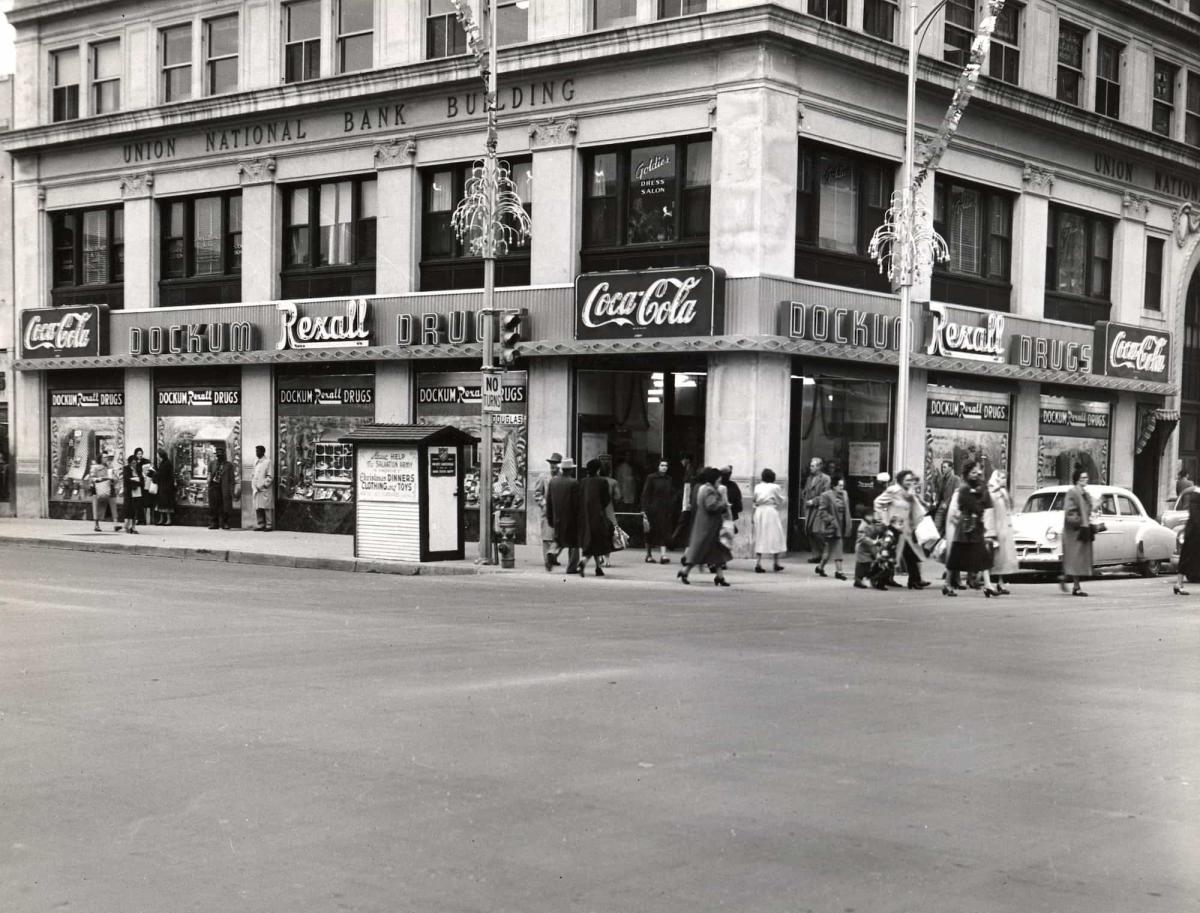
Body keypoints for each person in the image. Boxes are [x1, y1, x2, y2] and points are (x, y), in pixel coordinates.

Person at [943, 461, 998, 598]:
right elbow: (974, 506)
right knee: (955, 558)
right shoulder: (963, 489)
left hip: (976, 527)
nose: (976, 475)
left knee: (983, 556)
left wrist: (981, 492)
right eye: (972, 472)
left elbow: (988, 503)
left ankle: (988, 585)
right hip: (965, 527)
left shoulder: (980, 487)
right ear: (967, 474)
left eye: (977, 472)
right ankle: (947, 584)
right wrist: (979, 494)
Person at [873, 469, 930, 589]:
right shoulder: (893, 491)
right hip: (893, 528)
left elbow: (915, 508)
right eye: (907, 480)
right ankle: (879, 579)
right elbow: (878, 502)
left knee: (910, 555)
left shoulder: (909, 493)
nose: (909, 482)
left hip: (905, 528)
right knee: (891, 555)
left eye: (911, 480)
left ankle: (914, 580)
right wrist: (886, 518)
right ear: (900, 480)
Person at [678, 467, 733, 586]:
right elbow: (711, 506)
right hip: (708, 526)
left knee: (716, 552)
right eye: (718, 480)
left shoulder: (703, 489)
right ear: (714, 479)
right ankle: (684, 571)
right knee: (700, 550)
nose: (719, 483)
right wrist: (724, 504)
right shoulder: (710, 490)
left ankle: (720, 577)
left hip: (706, 524)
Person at [577, 458, 614, 577]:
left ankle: (598, 567)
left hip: (584, 516)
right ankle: (583, 562)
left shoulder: (582, 482)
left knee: (592, 542)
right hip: (598, 516)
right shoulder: (602, 481)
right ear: (598, 470)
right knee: (597, 542)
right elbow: (606, 499)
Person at [1060, 467, 1094, 596]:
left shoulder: (1085, 494)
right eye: (1083, 478)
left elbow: (1087, 510)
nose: (1086, 480)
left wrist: (1095, 504)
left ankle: (1066, 577)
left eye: (1086, 477)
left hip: (1083, 529)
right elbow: (1069, 512)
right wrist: (1079, 521)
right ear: (1077, 480)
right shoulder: (1072, 492)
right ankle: (1076, 586)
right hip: (1074, 531)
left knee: (1079, 559)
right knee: (1075, 558)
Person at [545, 457, 581, 574]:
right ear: (571, 470)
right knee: (574, 543)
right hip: (571, 519)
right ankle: (572, 567)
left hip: (557, 517)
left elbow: (549, 502)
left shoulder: (553, 482)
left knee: (558, 539)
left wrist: (550, 518)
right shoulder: (574, 483)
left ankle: (551, 552)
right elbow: (577, 504)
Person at [814, 474, 852, 580]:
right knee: (838, 546)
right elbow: (821, 511)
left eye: (843, 485)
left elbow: (846, 510)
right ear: (834, 486)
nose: (842, 488)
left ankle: (820, 567)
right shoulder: (826, 495)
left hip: (842, 524)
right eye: (840, 485)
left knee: (828, 549)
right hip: (832, 526)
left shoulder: (845, 494)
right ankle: (839, 571)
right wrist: (831, 520)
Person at [987, 470, 1017, 595]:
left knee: (1003, 557)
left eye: (1005, 477)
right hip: (996, 527)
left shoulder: (1003, 492)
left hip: (1005, 527)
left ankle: (1000, 582)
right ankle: (986, 581)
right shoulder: (991, 493)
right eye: (1002, 477)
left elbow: (1010, 507)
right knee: (993, 556)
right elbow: (989, 512)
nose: (1004, 480)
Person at [752, 468, 787, 573]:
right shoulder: (775, 487)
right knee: (775, 535)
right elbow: (780, 500)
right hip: (770, 511)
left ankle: (758, 562)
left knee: (760, 535)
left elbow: (754, 500)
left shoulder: (757, 486)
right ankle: (776, 562)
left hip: (759, 511)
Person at [641, 459, 675, 565]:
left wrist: (671, 505)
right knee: (649, 532)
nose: (664, 467)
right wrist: (644, 509)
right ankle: (649, 555)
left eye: (666, 465)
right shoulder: (651, 478)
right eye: (662, 465)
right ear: (658, 466)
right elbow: (646, 494)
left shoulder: (669, 479)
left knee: (663, 530)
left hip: (664, 509)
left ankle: (663, 555)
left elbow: (671, 493)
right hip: (652, 508)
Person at [533, 452, 564, 571]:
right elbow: (537, 493)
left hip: (559, 511)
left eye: (555, 463)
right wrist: (543, 504)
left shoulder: (562, 477)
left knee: (558, 536)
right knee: (547, 536)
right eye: (551, 463)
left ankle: (554, 557)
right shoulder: (543, 477)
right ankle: (547, 559)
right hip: (547, 511)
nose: (553, 466)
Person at [802, 457, 831, 561]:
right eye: (811, 466)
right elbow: (806, 491)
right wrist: (804, 496)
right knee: (809, 531)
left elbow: (825, 494)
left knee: (817, 531)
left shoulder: (826, 478)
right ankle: (816, 555)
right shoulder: (809, 479)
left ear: (819, 467)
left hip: (820, 508)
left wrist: (814, 501)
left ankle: (825, 552)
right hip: (809, 508)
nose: (810, 468)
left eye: (813, 466)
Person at [1173, 485, 1200, 596]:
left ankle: (1179, 584)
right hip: (1194, 532)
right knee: (1186, 556)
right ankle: (1178, 584)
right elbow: (1195, 516)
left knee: (1187, 556)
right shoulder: (1197, 494)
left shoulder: (1196, 493)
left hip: (1194, 530)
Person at [597, 459, 621, 568]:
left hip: (597, 510)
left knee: (598, 534)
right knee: (609, 535)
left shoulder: (596, 481)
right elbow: (618, 497)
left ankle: (599, 556)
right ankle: (607, 559)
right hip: (609, 510)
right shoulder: (613, 482)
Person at [88, 453, 119, 532]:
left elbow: (115, 477)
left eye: (107, 457)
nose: (106, 458)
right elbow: (91, 478)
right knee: (96, 506)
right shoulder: (95, 467)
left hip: (109, 486)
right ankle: (96, 524)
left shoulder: (109, 467)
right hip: (98, 487)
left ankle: (116, 523)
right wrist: (99, 479)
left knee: (113, 504)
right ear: (100, 458)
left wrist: (113, 479)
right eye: (104, 457)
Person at [671, 456, 697, 547]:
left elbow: (690, 486)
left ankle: (672, 540)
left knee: (682, 521)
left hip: (687, 498)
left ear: (687, 460)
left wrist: (689, 500)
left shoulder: (690, 471)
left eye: (683, 459)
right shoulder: (688, 470)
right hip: (686, 497)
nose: (682, 462)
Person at [207, 446, 235, 530]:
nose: (219, 456)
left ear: (224, 455)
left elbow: (232, 478)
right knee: (213, 505)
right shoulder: (212, 463)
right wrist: (209, 482)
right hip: (214, 486)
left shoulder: (229, 465)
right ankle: (214, 523)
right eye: (218, 454)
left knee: (225, 506)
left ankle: (225, 522)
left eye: (221, 454)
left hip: (224, 487)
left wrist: (231, 489)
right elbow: (209, 474)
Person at [931, 460, 960, 536]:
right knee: (936, 527)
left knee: (948, 530)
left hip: (950, 507)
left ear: (950, 468)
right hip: (941, 506)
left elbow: (956, 494)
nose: (942, 469)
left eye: (944, 467)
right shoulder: (941, 479)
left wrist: (947, 503)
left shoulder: (956, 479)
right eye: (942, 467)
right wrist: (936, 501)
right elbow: (939, 492)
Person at [853, 514, 882, 589]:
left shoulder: (872, 523)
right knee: (862, 565)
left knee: (868, 565)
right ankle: (858, 580)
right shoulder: (862, 526)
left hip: (869, 548)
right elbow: (862, 538)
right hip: (862, 548)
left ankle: (865, 580)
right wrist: (874, 542)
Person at [121, 453, 144, 534]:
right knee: (129, 509)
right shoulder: (126, 469)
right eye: (133, 463)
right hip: (129, 492)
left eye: (135, 463)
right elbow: (127, 480)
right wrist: (135, 481)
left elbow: (142, 480)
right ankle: (128, 525)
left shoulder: (138, 469)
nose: (134, 464)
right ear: (130, 463)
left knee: (135, 509)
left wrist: (136, 481)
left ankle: (133, 527)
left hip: (138, 492)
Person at [252, 445, 274, 531]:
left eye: (258, 451)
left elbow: (270, 475)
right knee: (258, 507)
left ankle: (269, 525)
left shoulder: (268, 462)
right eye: (256, 451)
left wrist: (265, 485)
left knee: (266, 507)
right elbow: (253, 474)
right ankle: (260, 524)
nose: (256, 453)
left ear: (263, 452)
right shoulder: (256, 461)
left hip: (264, 489)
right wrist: (254, 484)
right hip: (256, 489)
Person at [153, 447, 176, 526]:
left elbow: (164, 474)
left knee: (166, 503)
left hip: (166, 486)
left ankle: (168, 519)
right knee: (161, 503)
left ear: (161, 455)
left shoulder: (166, 463)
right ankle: (162, 519)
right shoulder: (163, 463)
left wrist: (156, 474)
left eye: (158, 455)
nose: (157, 457)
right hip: (162, 485)